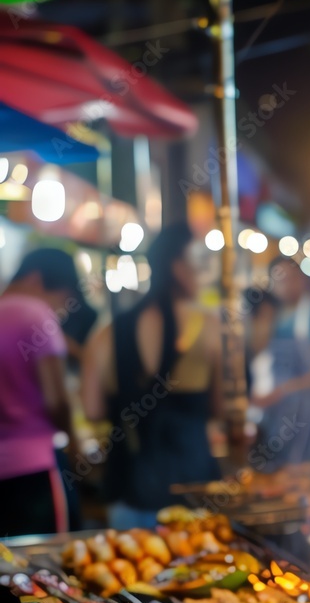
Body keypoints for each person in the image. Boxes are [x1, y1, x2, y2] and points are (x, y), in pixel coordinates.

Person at [82, 223, 223, 528]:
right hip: (194, 486)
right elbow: (221, 407)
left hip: (128, 484)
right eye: (198, 264)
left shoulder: (108, 331)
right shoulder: (211, 328)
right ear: (178, 267)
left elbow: (92, 409)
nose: (202, 273)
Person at [0, 249, 82, 538]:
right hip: (35, 465)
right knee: (50, 567)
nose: (59, 309)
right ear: (36, 279)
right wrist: (75, 440)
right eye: (60, 299)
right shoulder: (35, 313)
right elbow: (56, 399)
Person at [250, 256, 310, 469]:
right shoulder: (273, 313)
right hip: (275, 410)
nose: (286, 285)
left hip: (306, 410)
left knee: (300, 470)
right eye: (280, 279)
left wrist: (281, 391)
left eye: (292, 278)